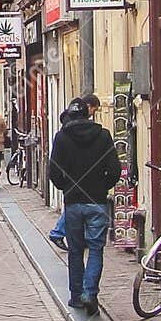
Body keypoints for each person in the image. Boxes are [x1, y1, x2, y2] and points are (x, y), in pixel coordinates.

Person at [48, 98, 121, 315]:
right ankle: (90, 293)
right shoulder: (104, 135)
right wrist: (102, 186)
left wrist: (67, 188)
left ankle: (76, 295)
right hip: (97, 201)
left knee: (76, 251)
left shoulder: (62, 137)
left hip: (73, 203)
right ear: (88, 115)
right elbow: (115, 170)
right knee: (97, 249)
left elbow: (53, 172)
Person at [49, 95, 102, 245]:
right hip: (85, 183)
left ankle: (65, 234)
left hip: (71, 182)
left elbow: (54, 168)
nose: (93, 114)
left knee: (75, 208)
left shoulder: (66, 126)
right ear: (88, 107)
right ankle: (58, 232)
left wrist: (64, 185)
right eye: (94, 110)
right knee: (95, 247)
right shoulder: (91, 131)